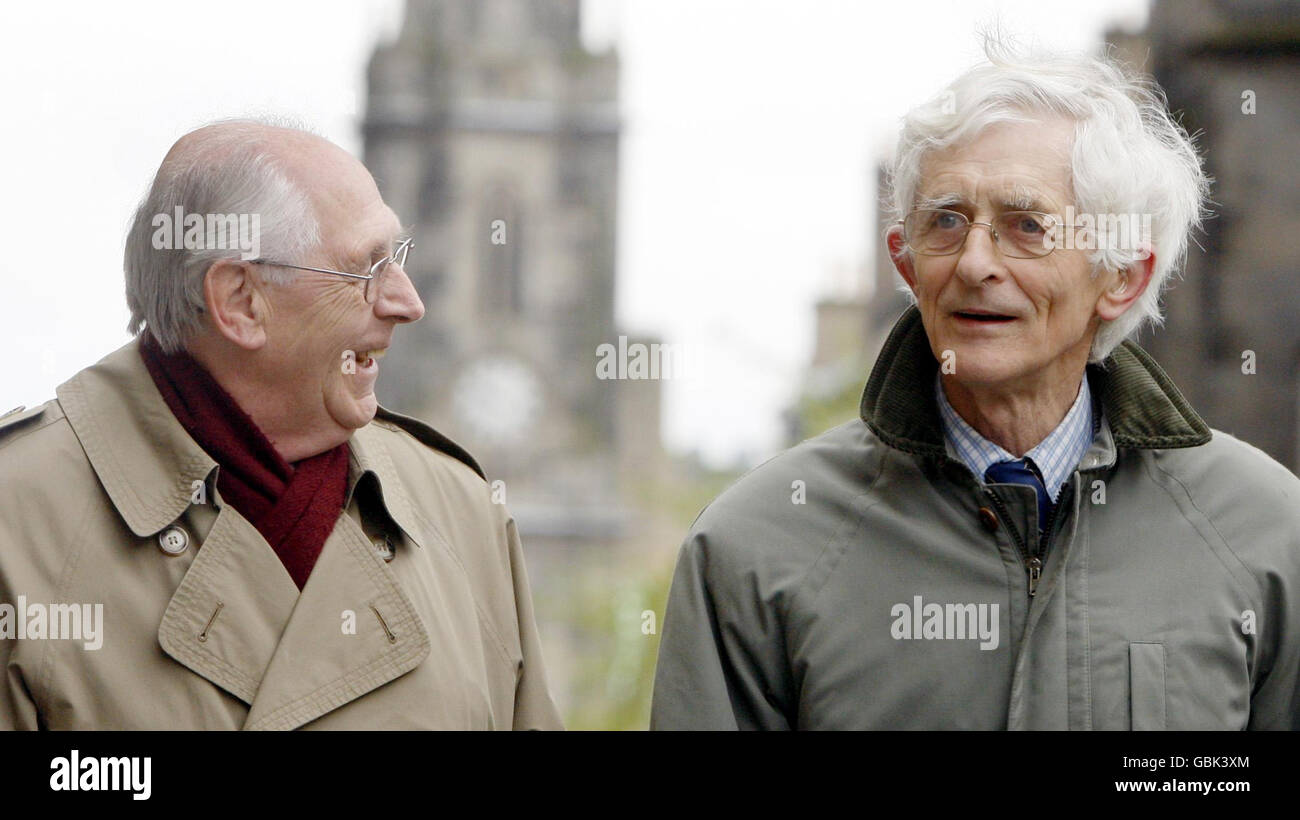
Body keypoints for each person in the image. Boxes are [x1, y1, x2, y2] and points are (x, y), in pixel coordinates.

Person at [650, 40, 1300, 730]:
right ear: (904, 262)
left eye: (1027, 226)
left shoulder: (1268, 537)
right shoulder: (755, 549)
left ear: (1122, 277)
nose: (975, 263)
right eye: (947, 222)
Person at [0, 119, 561, 730]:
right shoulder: (17, 524)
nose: (408, 303)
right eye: (365, 269)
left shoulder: (462, 512)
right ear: (240, 301)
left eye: (396, 256)